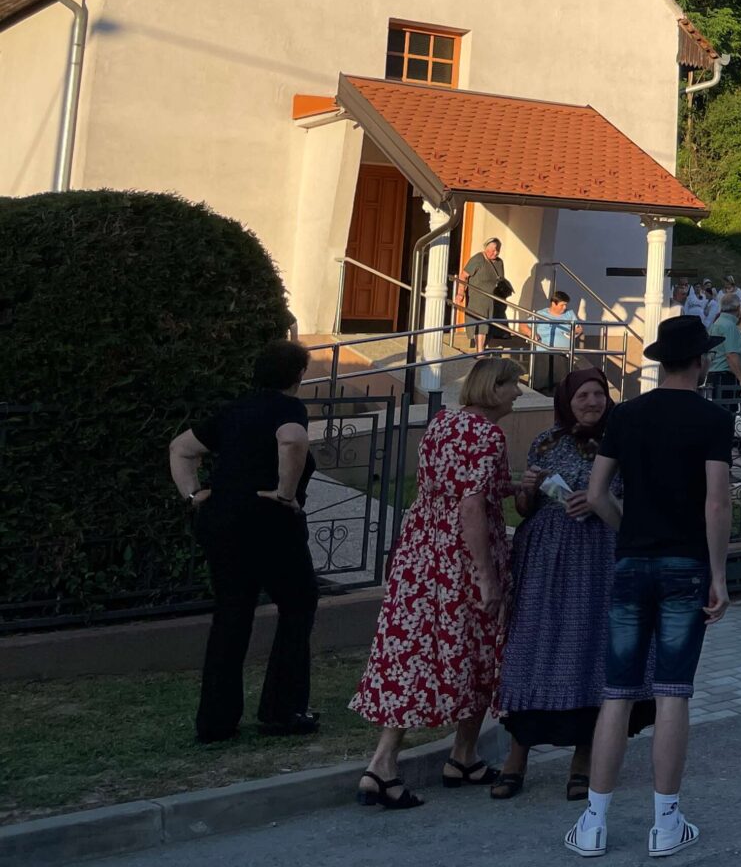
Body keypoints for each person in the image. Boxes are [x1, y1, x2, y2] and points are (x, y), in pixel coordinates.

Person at [565, 316, 734, 858]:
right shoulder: (712, 418)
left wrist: (628, 531)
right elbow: (716, 502)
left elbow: (597, 494)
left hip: (631, 562)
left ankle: (594, 821)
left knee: (616, 693)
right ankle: (666, 821)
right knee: (672, 692)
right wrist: (718, 573)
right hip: (686, 564)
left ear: (662, 361)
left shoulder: (627, 414)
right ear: (700, 361)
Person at [350, 356, 524, 808]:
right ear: (494, 388)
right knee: (480, 648)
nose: (518, 393)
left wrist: (517, 485)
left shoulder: (443, 423)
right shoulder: (488, 435)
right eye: (513, 385)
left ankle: (440, 758)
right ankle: (400, 764)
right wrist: (486, 577)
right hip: (461, 559)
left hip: (421, 553)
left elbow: (454, 486)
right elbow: (470, 505)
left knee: (411, 651)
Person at [495, 368, 651, 802]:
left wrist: (601, 500)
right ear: (567, 400)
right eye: (583, 395)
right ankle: (516, 757)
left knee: (591, 649)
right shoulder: (546, 441)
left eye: (598, 394)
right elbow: (525, 509)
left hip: (598, 557)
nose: (592, 402)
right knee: (533, 645)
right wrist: (527, 491)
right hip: (546, 560)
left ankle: (583, 759)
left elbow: (640, 499)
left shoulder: (623, 439)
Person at [167, 339, 319, 743]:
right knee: (298, 604)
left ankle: (216, 722)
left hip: (222, 522)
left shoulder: (234, 410)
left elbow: (181, 448)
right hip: (270, 522)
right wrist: (285, 494)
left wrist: (192, 495)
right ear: (298, 375)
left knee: (231, 614)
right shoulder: (288, 408)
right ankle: (283, 709)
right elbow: (292, 440)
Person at [458, 237, 509, 349]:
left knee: (490, 325)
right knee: (481, 324)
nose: (496, 252)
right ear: (486, 248)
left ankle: (482, 349)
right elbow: (463, 276)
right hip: (478, 300)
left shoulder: (499, 262)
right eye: (493, 250)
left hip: (493, 300)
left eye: (498, 250)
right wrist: (460, 293)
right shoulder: (478, 259)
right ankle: (480, 351)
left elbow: (501, 279)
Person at [530, 288, 579, 391]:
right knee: (542, 383)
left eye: (566, 305)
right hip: (544, 350)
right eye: (562, 305)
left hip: (563, 352)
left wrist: (574, 332)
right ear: (553, 303)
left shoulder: (569, 313)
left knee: (561, 383)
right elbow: (523, 325)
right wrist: (531, 333)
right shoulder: (541, 314)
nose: (564, 307)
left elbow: (579, 328)